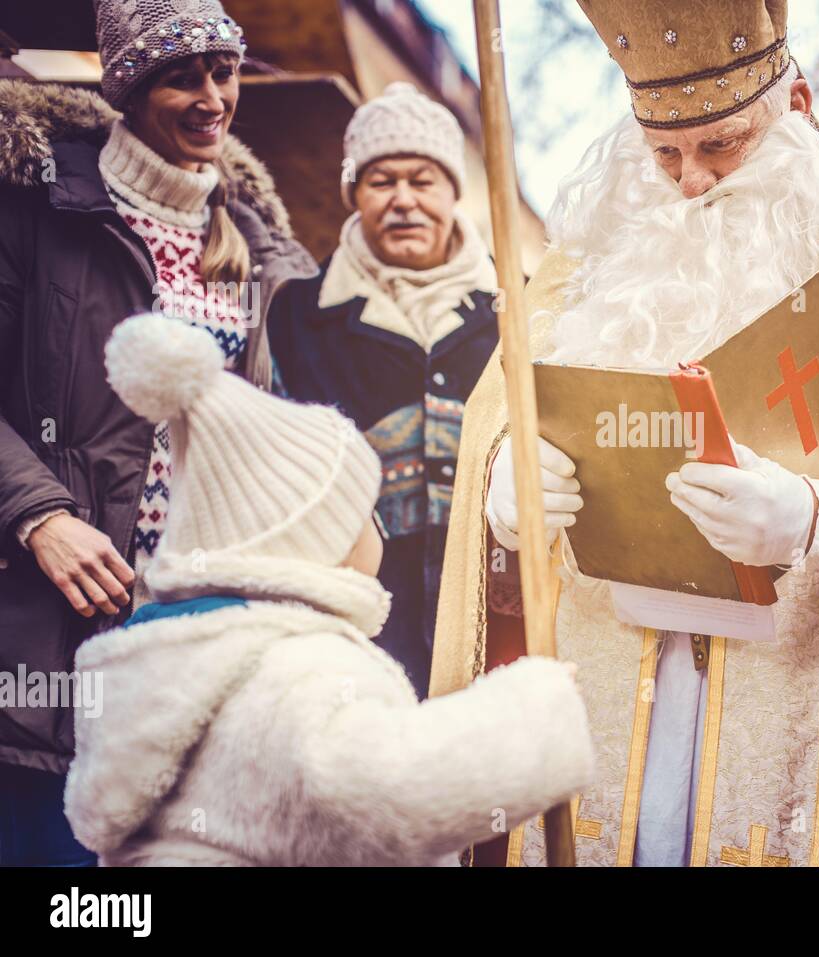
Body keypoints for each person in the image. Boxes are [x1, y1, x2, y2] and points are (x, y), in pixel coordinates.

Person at [433, 0, 819, 866]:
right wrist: (507, 483)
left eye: (721, 145)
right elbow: (500, 422)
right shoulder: (588, 254)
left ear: (792, 107)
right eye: (664, 153)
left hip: (807, 698)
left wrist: (810, 520)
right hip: (606, 697)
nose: (690, 180)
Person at [61, 313, 594, 866]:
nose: (380, 526)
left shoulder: (163, 652)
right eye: (367, 512)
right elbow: (400, 797)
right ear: (321, 543)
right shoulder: (298, 670)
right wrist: (537, 710)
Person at [0, 0, 315, 865]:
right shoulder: (43, 210)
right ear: (128, 90)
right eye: (183, 76)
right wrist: (40, 516)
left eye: (225, 71)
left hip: (198, 634)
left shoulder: (262, 248)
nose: (214, 96)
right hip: (57, 631)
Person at [269, 83, 499, 696]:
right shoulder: (297, 312)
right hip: (355, 608)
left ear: (454, 192)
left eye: (422, 180)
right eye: (381, 181)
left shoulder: (516, 307)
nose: (403, 201)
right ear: (354, 195)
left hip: (491, 602)